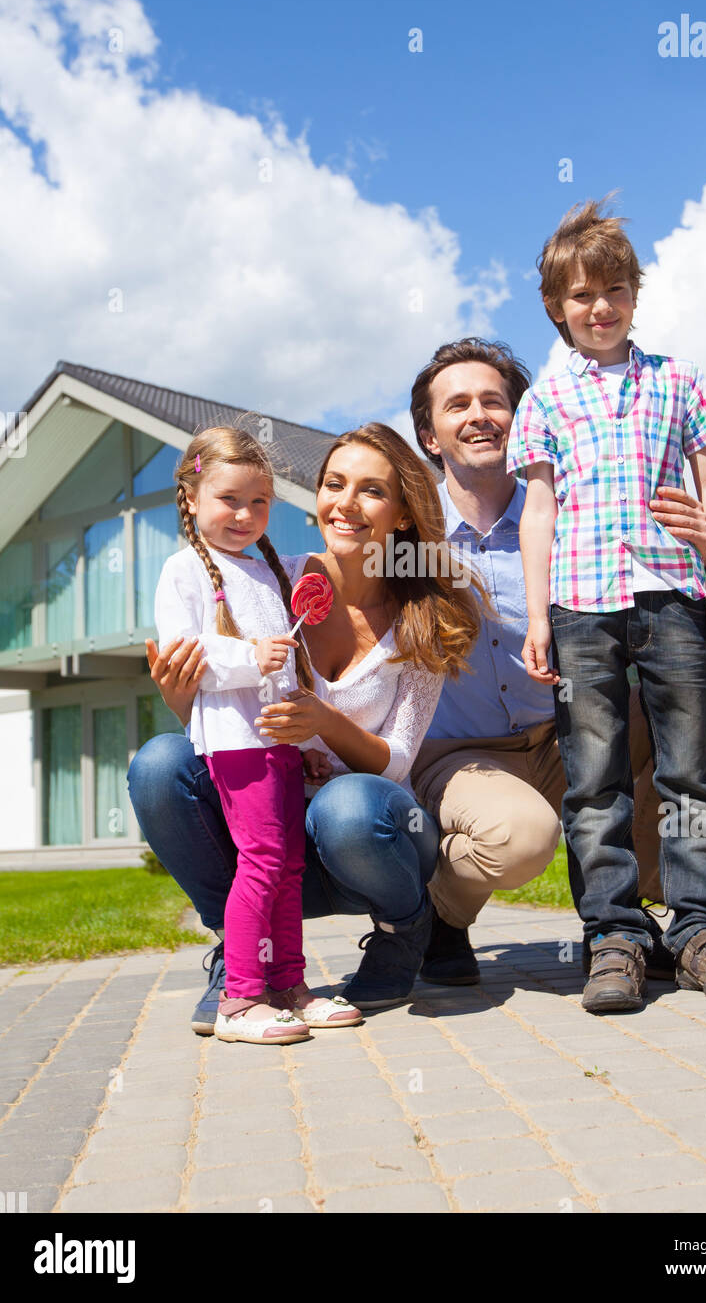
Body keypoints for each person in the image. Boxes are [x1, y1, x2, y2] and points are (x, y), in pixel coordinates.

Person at [409, 337, 706, 987]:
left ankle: (636, 913)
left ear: (524, 418)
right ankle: (440, 915)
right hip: (465, 756)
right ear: (429, 433)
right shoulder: (408, 537)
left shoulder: (576, 519)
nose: (479, 415)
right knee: (521, 835)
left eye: (494, 401)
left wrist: (703, 550)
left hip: (573, 732)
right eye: (458, 405)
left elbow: (659, 606)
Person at [128, 422, 483, 1025]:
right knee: (160, 763)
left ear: (401, 514)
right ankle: (244, 958)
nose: (345, 504)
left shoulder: (422, 619)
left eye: (371, 490)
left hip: (368, 841)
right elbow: (229, 707)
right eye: (334, 483)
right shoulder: (269, 579)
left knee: (345, 805)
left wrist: (324, 723)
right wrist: (181, 697)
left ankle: (408, 928)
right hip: (270, 808)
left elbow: (397, 760)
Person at [507, 199, 706, 1012]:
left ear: (636, 294)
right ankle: (613, 938)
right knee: (594, 781)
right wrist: (541, 617)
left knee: (691, 772)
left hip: (673, 600)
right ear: (557, 307)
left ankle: (699, 931)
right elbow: (539, 511)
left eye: (615, 289)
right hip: (581, 609)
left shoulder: (676, 380)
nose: (601, 306)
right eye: (583, 295)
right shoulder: (545, 400)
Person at [155, 425, 362, 1043]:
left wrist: (310, 744)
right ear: (191, 497)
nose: (245, 514)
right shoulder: (183, 570)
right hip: (234, 744)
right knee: (264, 861)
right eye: (228, 499)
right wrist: (252, 655)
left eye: (259, 502)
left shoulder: (266, 571)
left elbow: (288, 676)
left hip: (277, 745)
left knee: (289, 865)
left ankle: (289, 986)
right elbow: (184, 655)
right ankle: (240, 1001)